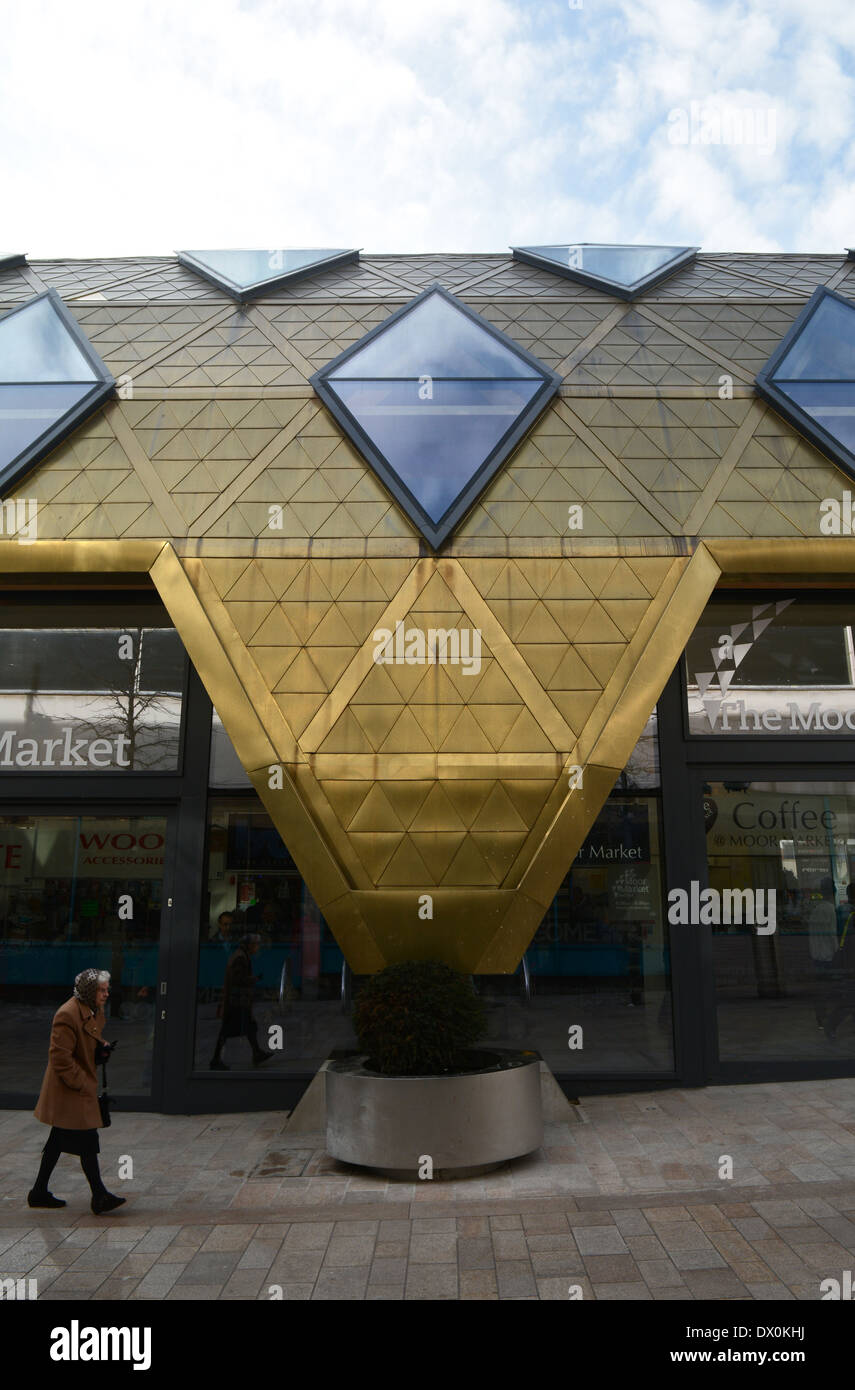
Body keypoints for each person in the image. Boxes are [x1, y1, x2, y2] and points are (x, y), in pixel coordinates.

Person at [28, 968, 127, 1215]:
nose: (106, 994)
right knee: (87, 1139)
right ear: (89, 992)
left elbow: (85, 1047)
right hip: (68, 1089)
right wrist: (83, 1082)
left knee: (58, 1140)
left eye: (107, 989)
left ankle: (39, 1191)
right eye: (101, 990)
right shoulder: (67, 1014)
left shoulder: (93, 1010)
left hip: (76, 1088)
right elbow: (60, 1058)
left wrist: (100, 1052)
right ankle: (99, 1195)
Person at [209, 933, 273, 1070]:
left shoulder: (241, 955)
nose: (257, 948)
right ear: (249, 945)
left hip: (238, 1000)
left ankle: (256, 1053)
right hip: (236, 1001)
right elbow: (238, 979)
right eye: (256, 945)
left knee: (249, 1026)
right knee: (227, 1030)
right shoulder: (240, 957)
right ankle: (215, 1059)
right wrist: (254, 979)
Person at [825, 882, 855, 1040]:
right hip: (851, 964)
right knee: (850, 1000)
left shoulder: (845, 912)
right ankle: (830, 1026)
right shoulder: (850, 914)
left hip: (849, 963)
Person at [808, 878, 839, 1027]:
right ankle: (830, 1021)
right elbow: (832, 936)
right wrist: (837, 952)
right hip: (829, 957)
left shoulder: (815, 910)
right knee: (834, 989)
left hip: (816, 956)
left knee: (821, 990)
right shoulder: (831, 910)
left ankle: (821, 1019)